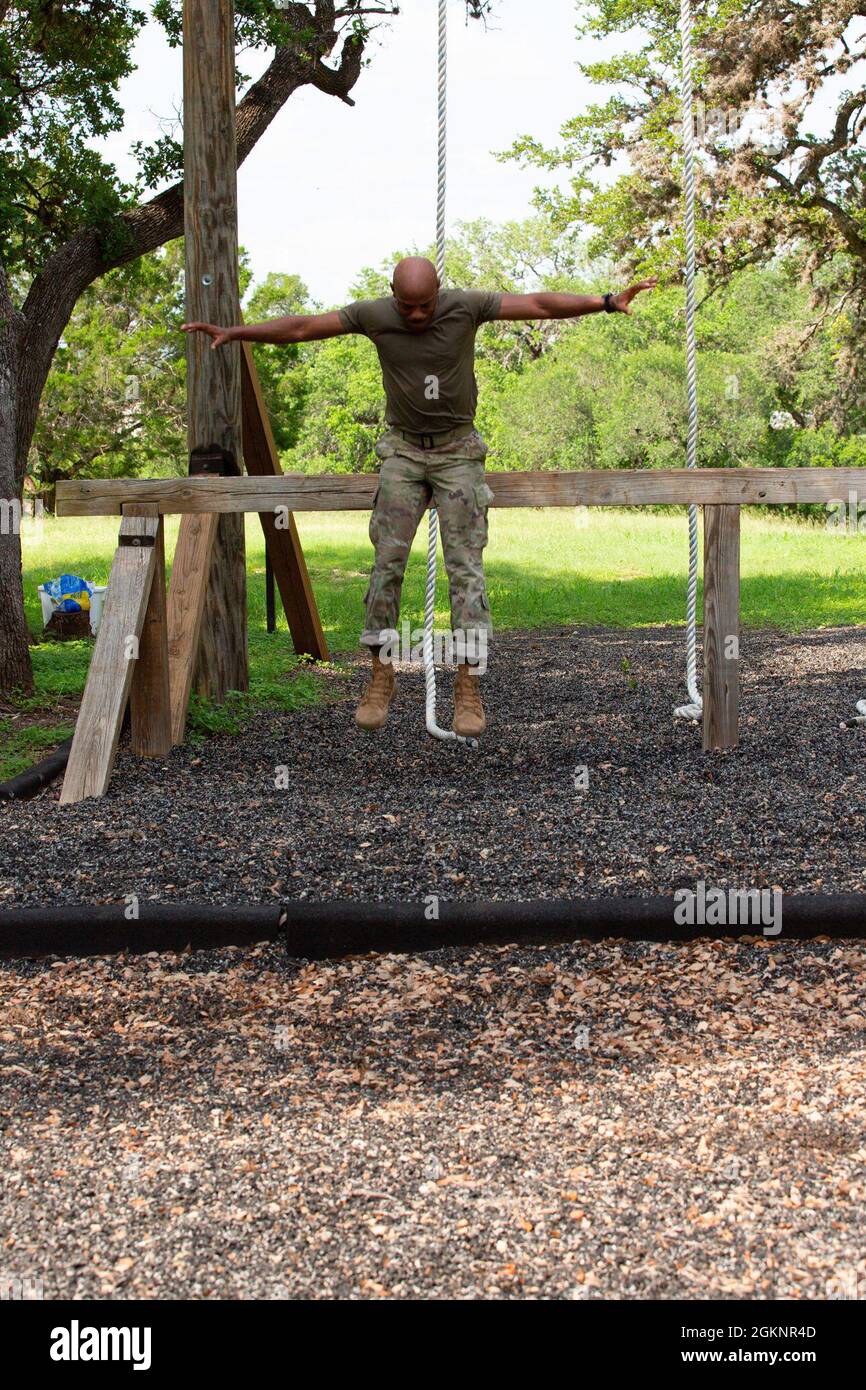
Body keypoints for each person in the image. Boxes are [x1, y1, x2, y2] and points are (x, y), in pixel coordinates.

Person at [182, 260, 656, 736]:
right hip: (403, 452)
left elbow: (536, 303)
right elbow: (304, 326)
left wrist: (607, 302)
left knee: (465, 567)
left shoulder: (466, 306)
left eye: (424, 305)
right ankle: (381, 671)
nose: (415, 315)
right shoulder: (373, 314)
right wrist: (238, 332)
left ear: (438, 293)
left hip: (458, 452)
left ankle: (468, 684)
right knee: (387, 560)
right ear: (392, 295)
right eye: (406, 306)